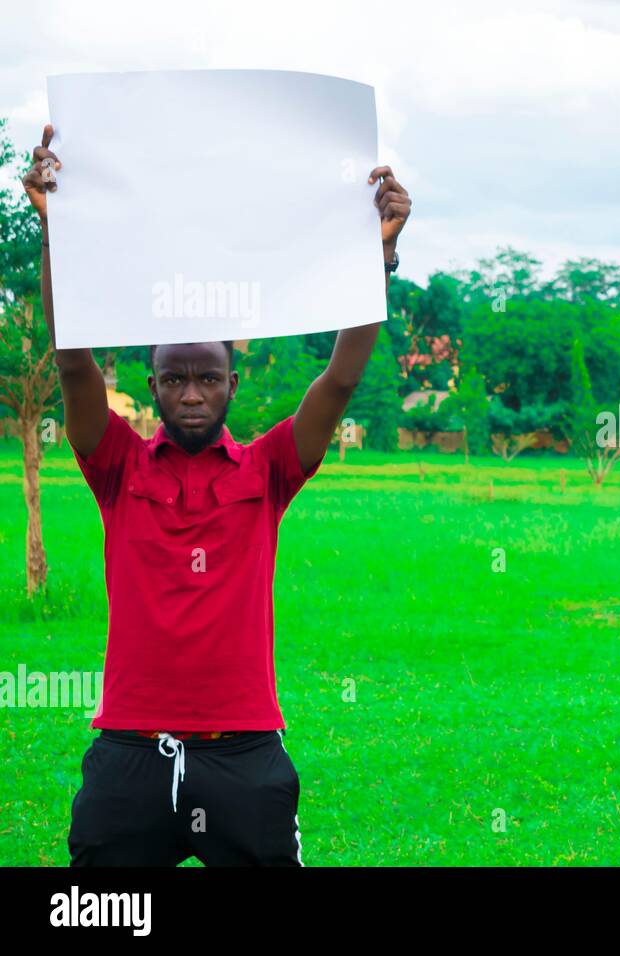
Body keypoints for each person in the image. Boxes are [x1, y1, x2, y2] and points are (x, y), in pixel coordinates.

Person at [21, 123, 411, 866]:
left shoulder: (268, 469)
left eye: (207, 378)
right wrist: (54, 232)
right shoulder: (120, 468)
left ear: (235, 384)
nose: (191, 394)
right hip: (130, 753)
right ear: (153, 385)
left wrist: (378, 257)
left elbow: (341, 380)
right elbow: (73, 368)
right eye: (175, 379)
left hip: (245, 755)